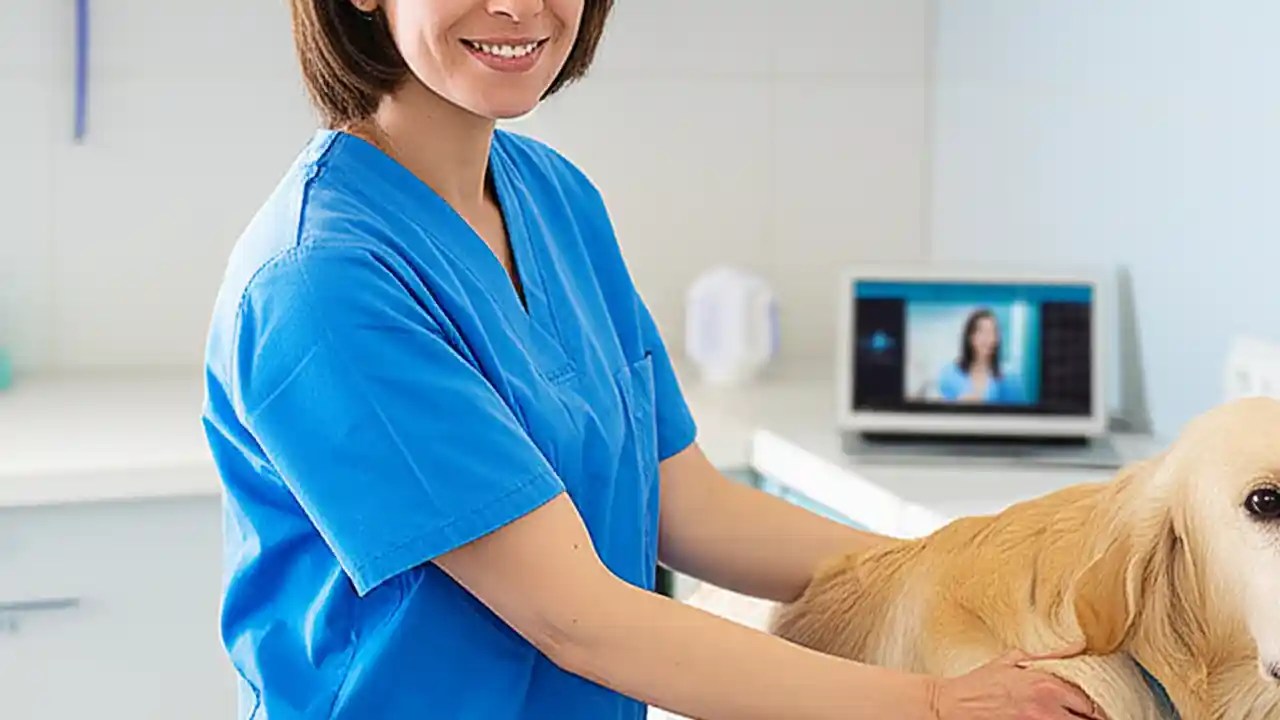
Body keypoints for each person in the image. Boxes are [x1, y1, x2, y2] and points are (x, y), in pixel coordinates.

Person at [199, 1, 1105, 718]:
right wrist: (937, 705)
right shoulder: (323, 281)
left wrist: (956, 578)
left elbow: (687, 503)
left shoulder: (553, 197)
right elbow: (580, 618)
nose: (520, 5)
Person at [938, 308, 1027, 405]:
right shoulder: (949, 374)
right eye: (983, 332)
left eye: (994, 332)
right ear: (970, 337)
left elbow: (1020, 417)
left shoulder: (1010, 377)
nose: (990, 339)